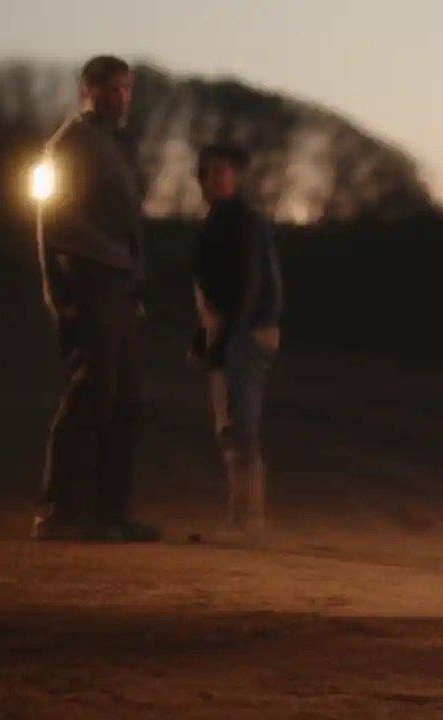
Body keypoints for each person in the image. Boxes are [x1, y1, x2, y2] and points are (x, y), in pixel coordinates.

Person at [32, 55, 160, 542]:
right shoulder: (72, 142)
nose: (122, 99)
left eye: (127, 90)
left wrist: (136, 276)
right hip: (89, 281)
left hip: (120, 287)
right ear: (88, 91)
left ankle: (111, 512)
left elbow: (128, 227)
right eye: (112, 90)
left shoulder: (113, 147)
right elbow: (55, 219)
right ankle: (59, 509)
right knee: (92, 392)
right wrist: (62, 289)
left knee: (125, 400)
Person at [188, 142, 283, 545]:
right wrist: (203, 336)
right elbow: (211, 290)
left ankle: (248, 522)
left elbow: (250, 282)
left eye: (223, 171)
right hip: (230, 333)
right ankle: (240, 517)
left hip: (244, 332)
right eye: (209, 172)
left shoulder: (244, 221)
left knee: (240, 428)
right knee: (231, 428)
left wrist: (231, 333)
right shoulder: (216, 222)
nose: (216, 178)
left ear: (235, 175)